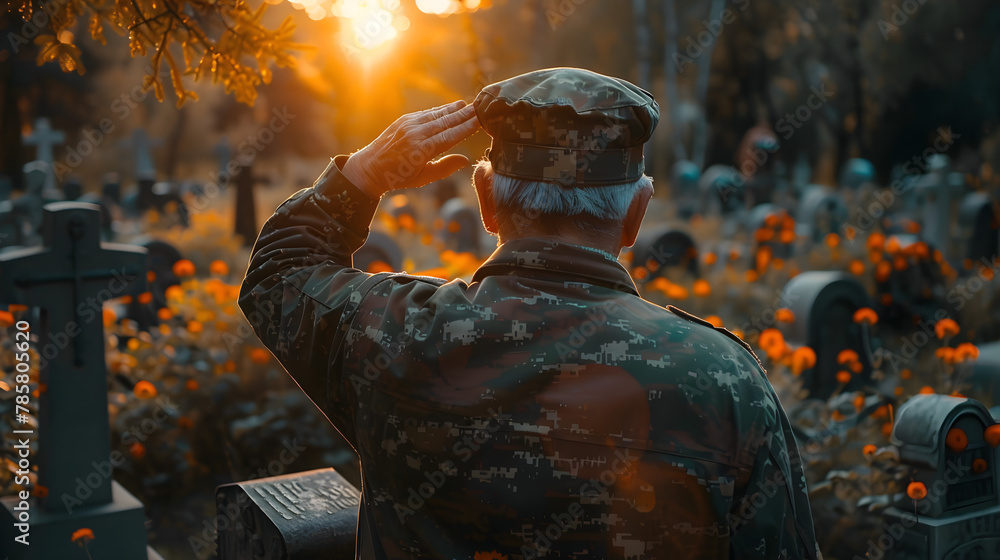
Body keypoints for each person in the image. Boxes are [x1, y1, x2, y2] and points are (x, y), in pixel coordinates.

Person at [239, 67, 820, 560]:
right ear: (635, 214)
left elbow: (277, 276)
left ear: (486, 202)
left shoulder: (393, 331)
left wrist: (361, 178)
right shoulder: (727, 383)